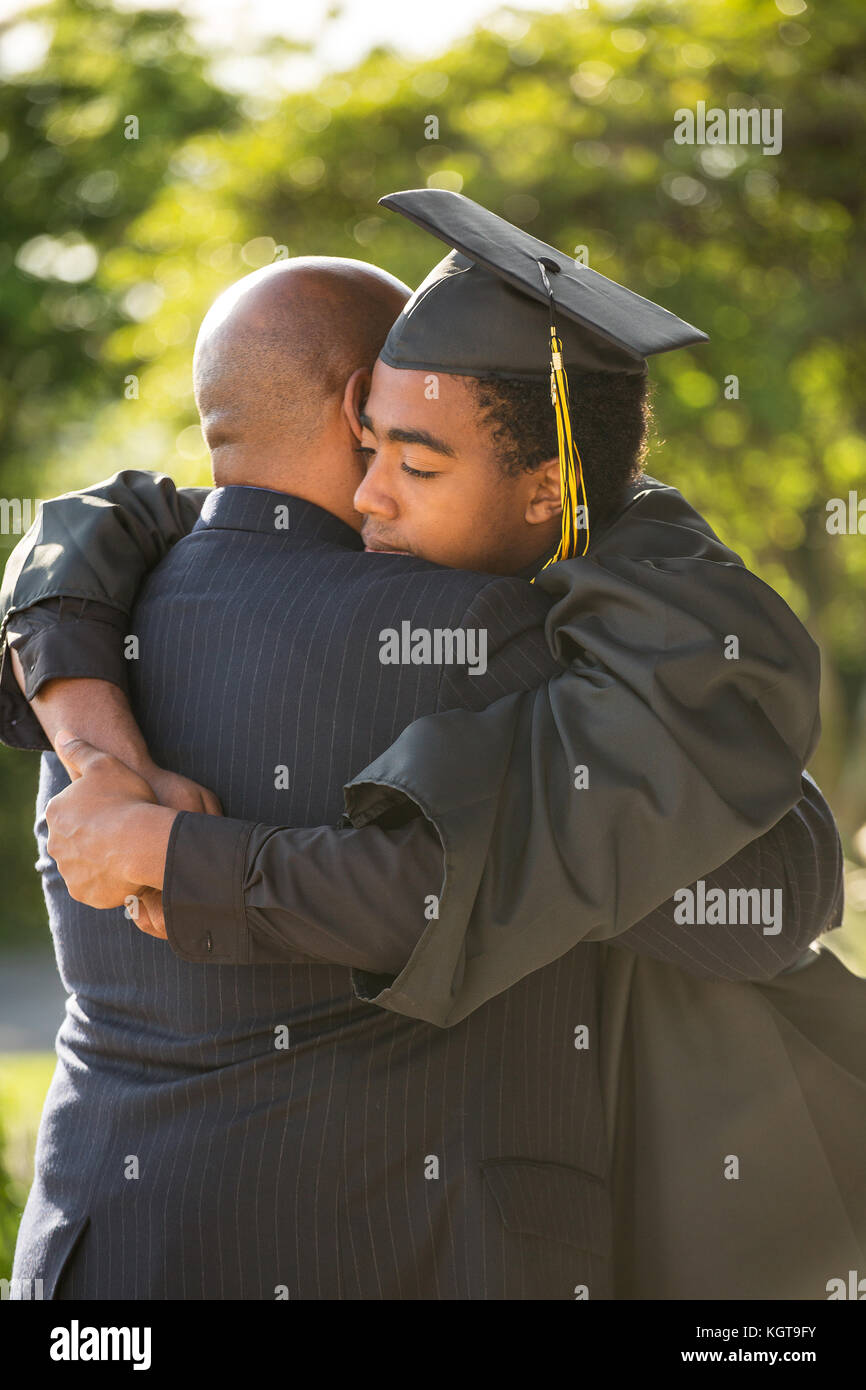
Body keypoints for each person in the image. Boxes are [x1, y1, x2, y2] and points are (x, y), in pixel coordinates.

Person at [1, 196, 847, 1300]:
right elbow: (764, 906)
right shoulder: (506, 640)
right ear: (362, 402)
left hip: (97, 1260)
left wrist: (137, 808)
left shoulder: (83, 628)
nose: (376, 491)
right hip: (414, 1253)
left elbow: (112, 520)